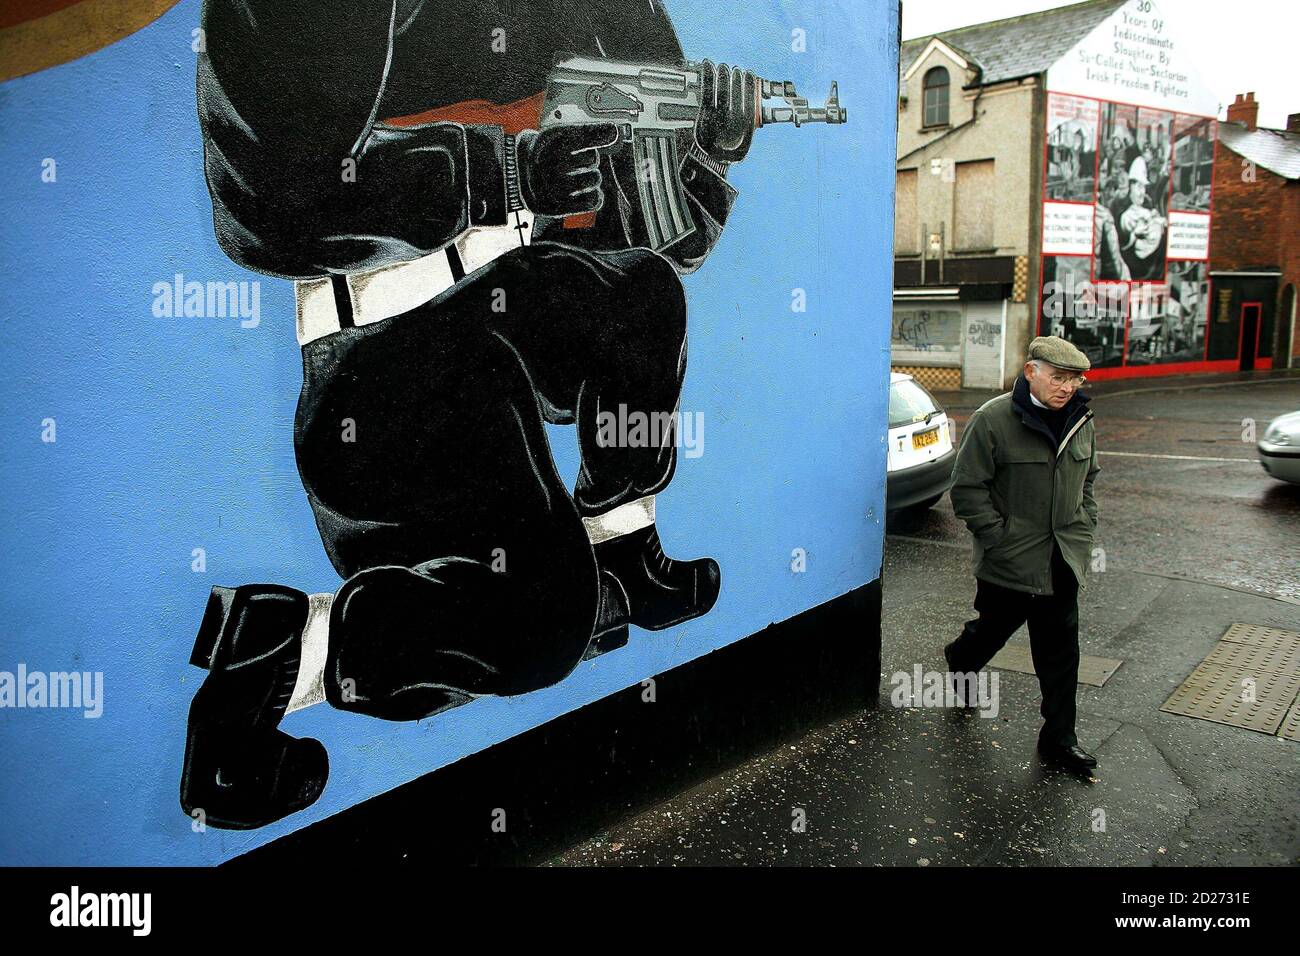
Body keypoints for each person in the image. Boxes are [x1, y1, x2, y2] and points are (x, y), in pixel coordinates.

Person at [180, 0, 759, 829]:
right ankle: (281, 650)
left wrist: (700, 148)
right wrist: (503, 175)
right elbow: (271, 198)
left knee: (640, 298)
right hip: (384, 349)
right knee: (538, 620)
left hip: (508, 294)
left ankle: (623, 553)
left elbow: (645, 232)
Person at [945, 337, 1101, 773]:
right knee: (991, 632)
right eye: (1058, 377)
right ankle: (962, 659)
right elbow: (968, 488)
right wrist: (997, 538)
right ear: (1031, 372)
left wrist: (1084, 525)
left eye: (1075, 379)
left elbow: (1089, 480)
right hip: (1008, 563)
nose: (1067, 387)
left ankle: (1059, 741)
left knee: (1060, 655)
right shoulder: (993, 419)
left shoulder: (1080, 419)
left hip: (1062, 559)